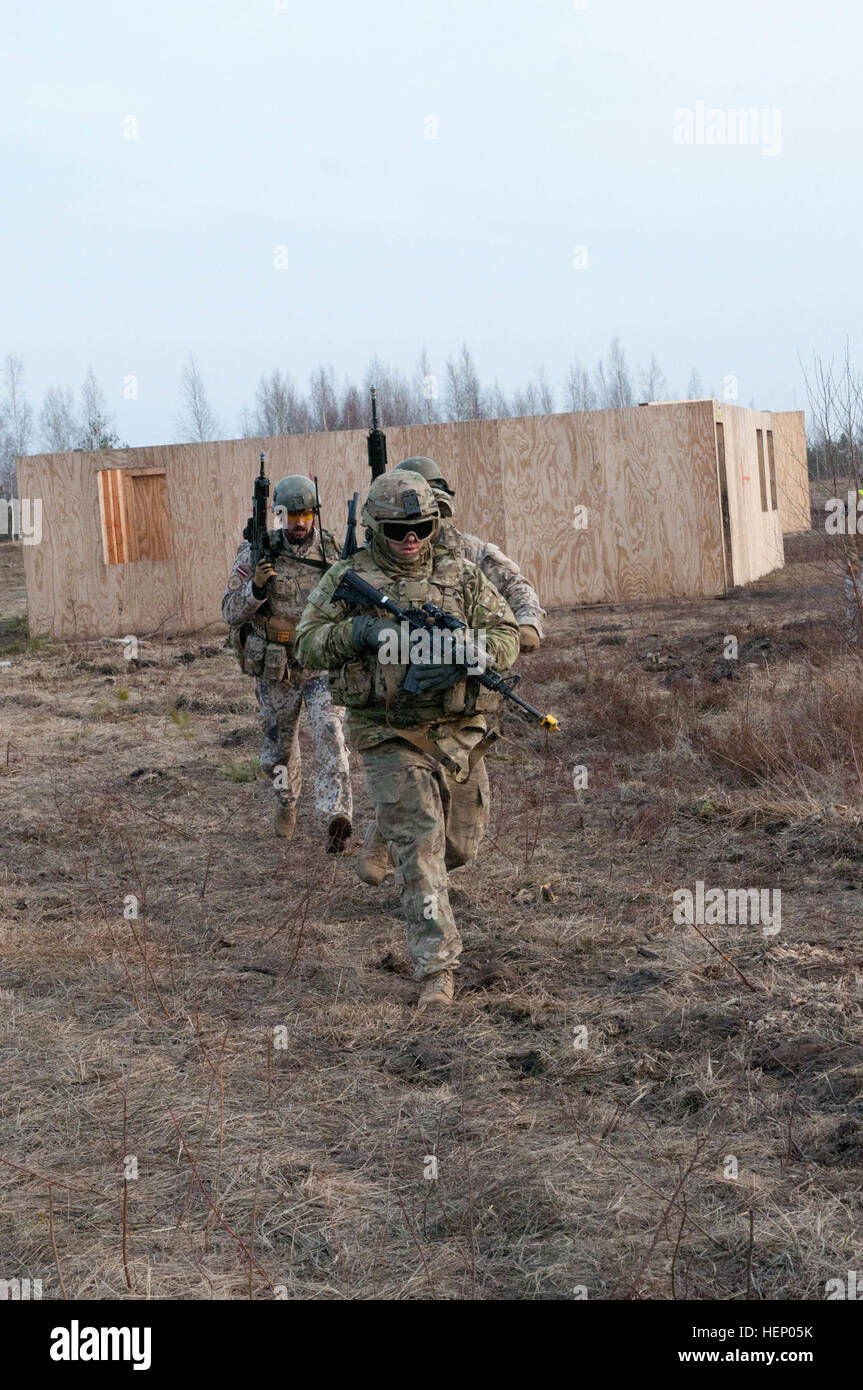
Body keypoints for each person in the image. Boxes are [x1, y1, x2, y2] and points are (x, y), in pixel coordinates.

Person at [295, 470, 520, 1009]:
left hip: (456, 730)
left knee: (459, 845)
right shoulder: (348, 578)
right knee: (421, 848)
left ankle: (382, 836)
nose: (411, 539)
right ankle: (436, 972)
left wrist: (472, 646)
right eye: (398, 530)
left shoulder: (461, 575)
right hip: (388, 731)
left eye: (421, 527)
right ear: (377, 528)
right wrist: (362, 632)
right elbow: (306, 645)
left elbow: (509, 632)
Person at [354, 454, 546, 886]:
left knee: (461, 837)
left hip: (457, 695)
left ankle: (402, 846)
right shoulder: (371, 562)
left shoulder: (469, 552)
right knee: (411, 793)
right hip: (394, 700)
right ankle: (414, 873)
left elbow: (517, 587)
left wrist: (525, 625)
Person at [222, 474, 352, 849]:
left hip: (321, 664)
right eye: (291, 515)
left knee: (331, 734)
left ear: (315, 513)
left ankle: (335, 816)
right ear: (278, 515)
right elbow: (230, 612)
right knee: (278, 749)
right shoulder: (256, 553)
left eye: (306, 514)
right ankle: (286, 801)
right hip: (277, 669)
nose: (299, 523)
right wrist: (256, 590)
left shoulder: (331, 552)